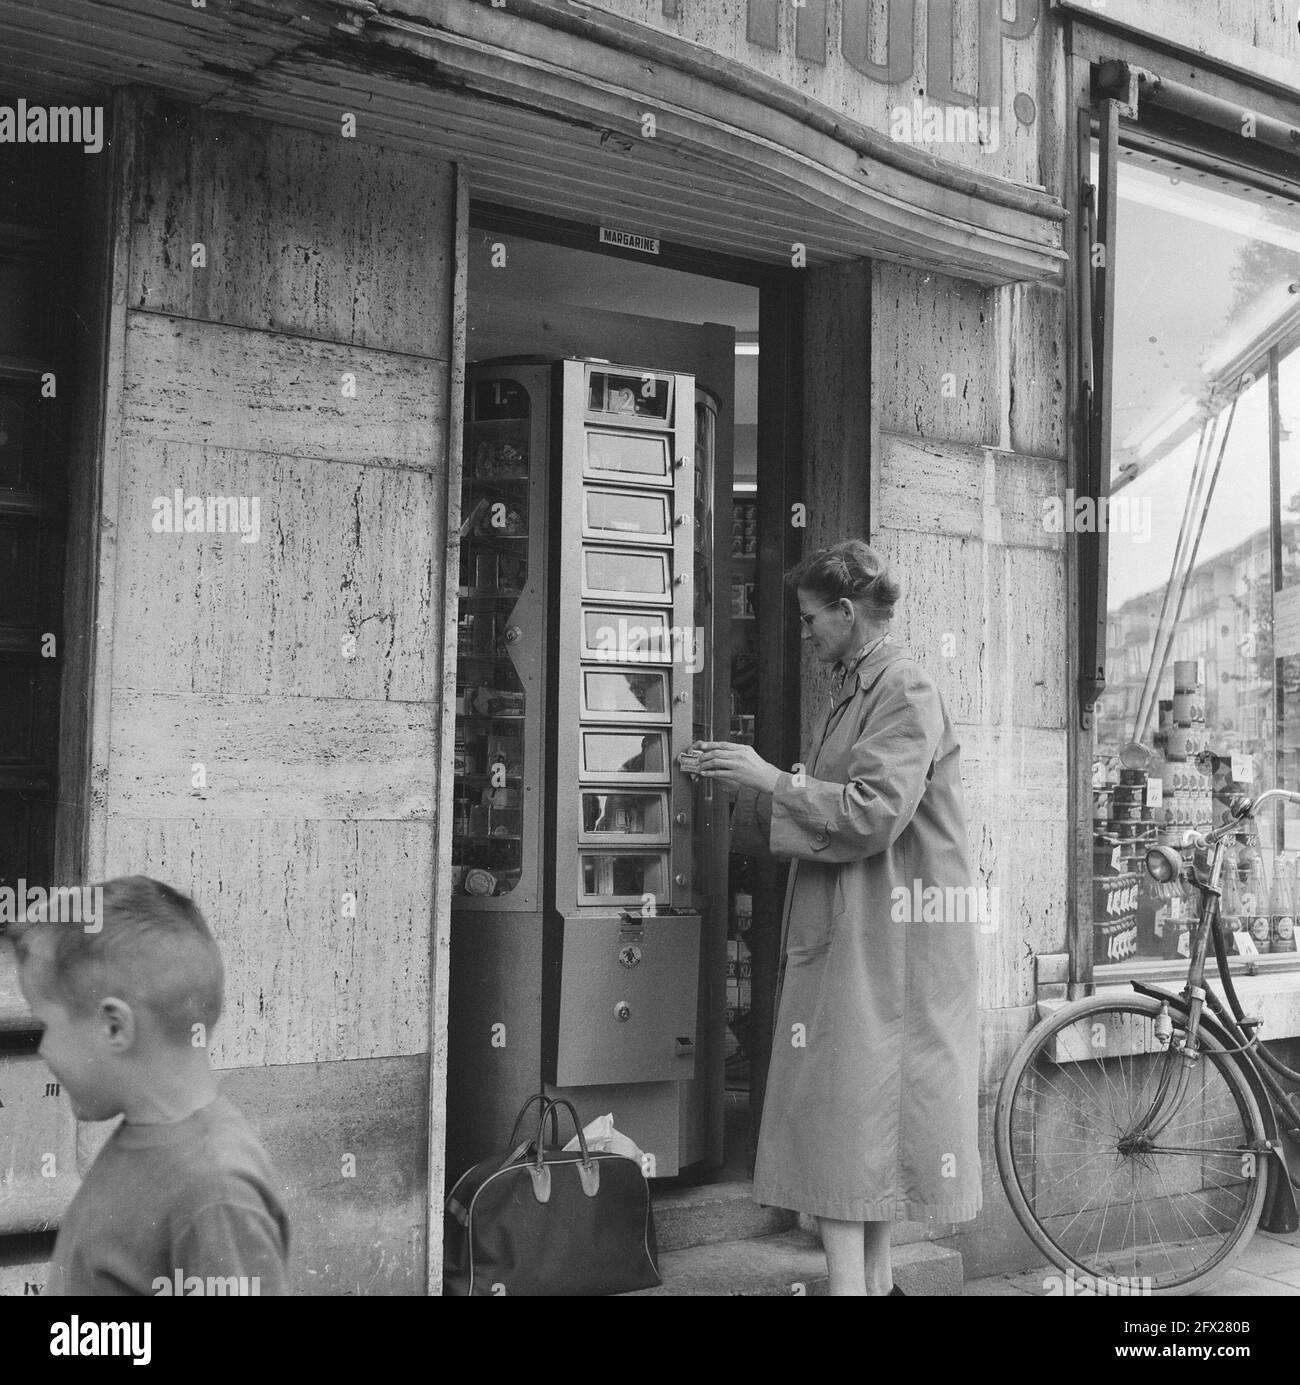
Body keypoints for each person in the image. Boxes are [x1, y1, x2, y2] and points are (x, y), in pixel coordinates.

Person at [696, 540, 981, 1296]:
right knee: (860, 1119)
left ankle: (849, 1289)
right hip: (868, 933)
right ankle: (874, 1284)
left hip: (887, 943)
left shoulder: (902, 686)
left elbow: (873, 812)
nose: (806, 630)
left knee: (848, 1116)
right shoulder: (865, 687)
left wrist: (770, 777)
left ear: (848, 612)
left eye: (811, 616)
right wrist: (763, 787)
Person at [11, 875, 290, 1295]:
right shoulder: (148, 1136)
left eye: (45, 1025)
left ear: (113, 1026)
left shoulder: (215, 1192)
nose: (44, 1049)